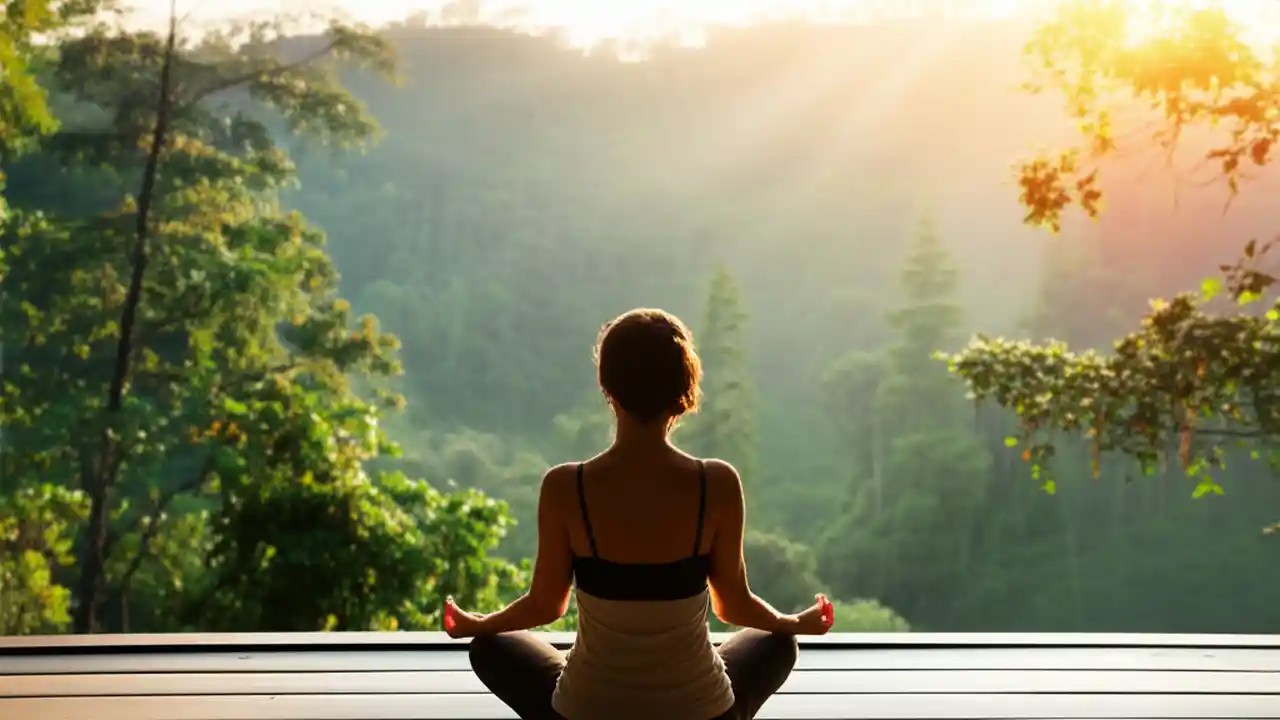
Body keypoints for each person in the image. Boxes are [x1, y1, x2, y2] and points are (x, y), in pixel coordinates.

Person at [444, 308, 833, 720]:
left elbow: (545, 605)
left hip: (585, 712)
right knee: (777, 642)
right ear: (684, 389)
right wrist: (793, 622)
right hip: (703, 714)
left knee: (490, 645)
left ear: (607, 387)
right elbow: (732, 607)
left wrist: (480, 623)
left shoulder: (566, 486)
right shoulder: (715, 483)